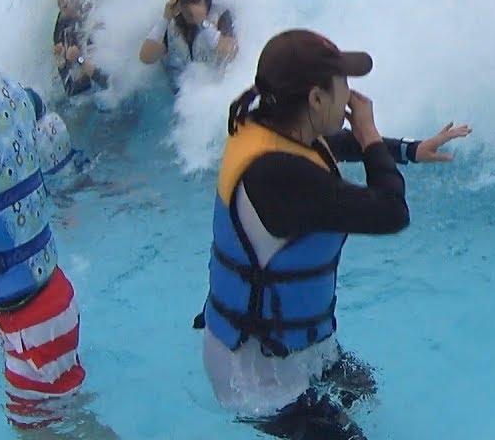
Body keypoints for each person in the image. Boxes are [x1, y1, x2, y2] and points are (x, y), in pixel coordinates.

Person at [197, 28, 471, 440]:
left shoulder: (268, 126)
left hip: (297, 345)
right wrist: (372, 134)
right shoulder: (277, 176)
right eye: (343, 84)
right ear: (315, 98)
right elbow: (391, 212)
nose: (351, 95)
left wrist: (409, 150)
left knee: (363, 390)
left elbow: (333, 143)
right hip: (257, 373)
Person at [0, 0, 116, 437]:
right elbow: (54, 145)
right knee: (73, 420)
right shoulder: (12, 90)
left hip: (30, 326)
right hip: (53, 296)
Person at [138, 0, 237, 90]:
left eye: (196, 3)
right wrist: (165, 19)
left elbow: (230, 53)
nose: (190, 10)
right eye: (187, 3)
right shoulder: (173, 22)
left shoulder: (221, 16)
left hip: (210, 93)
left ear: (207, 1)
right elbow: (146, 57)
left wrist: (202, 23)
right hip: (180, 94)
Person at [52, 0, 108, 97]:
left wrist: (79, 60)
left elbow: (109, 83)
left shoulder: (94, 24)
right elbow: (71, 91)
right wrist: (61, 65)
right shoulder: (62, 23)